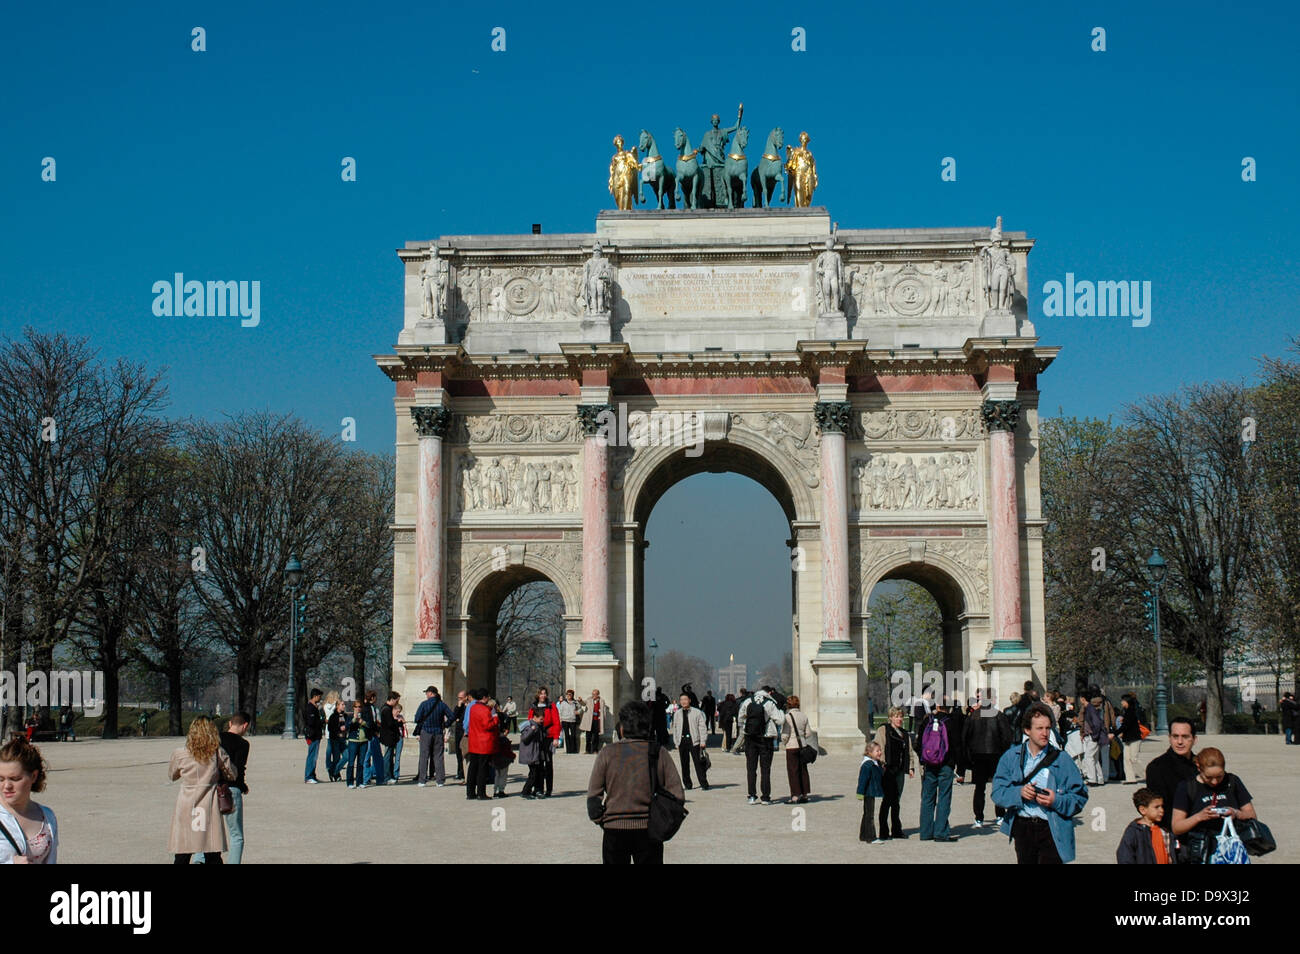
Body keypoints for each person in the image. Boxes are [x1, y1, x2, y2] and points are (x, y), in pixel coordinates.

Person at [586, 701, 685, 864]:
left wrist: (602, 819)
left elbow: (593, 797)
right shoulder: (658, 751)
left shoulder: (607, 753)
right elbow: (677, 795)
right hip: (649, 829)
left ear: (622, 727)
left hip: (614, 829)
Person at [992, 703, 1089, 864]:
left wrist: (1056, 801)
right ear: (1027, 730)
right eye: (1039, 728)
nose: (1045, 733)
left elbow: (1080, 796)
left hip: (1052, 828)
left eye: (1048, 728)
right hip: (1023, 828)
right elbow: (997, 793)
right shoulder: (1011, 757)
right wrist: (1019, 793)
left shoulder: (1062, 759)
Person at [168, 716, 236, 864]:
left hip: (186, 804)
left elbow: (172, 775)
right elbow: (232, 774)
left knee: (182, 853)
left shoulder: (180, 753)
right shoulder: (217, 752)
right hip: (208, 804)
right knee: (212, 852)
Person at [1171, 747, 1257, 864]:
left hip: (1231, 853)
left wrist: (1236, 813)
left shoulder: (1233, 782)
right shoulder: (1187, 787)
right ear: (1198, 768)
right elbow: (1176, 827)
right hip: (1200, 853)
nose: (1214, 782)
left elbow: (1252, 815)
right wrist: (1199, 817)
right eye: (1209, 777)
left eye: (1219, 776)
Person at [0, 737, 58, 864]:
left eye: (15, 779)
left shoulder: (47, 816)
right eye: (1, 779)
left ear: (33, 776)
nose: (6, 786)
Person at [962, 692, 1013, 828]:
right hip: (996, 754)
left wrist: (969, 755)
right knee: (998, 785)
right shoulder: (999, 715)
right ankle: (1000, 815)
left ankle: (979, 817)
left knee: (979, 788)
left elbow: (965, 737)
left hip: (978, 754)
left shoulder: (973, 716)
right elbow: (1007, 737)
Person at [1143, 716, 1199, 834]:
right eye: (1175, 736)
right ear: (1169, 738)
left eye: (1185, 737)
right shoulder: (1157, 767)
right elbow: (1157, 808)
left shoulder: (1202, 765)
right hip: (1173, 831)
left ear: (1194, 739)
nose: (1179, 742)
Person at [916, 702, 959, 842]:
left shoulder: (927, 721)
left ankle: (925, 832)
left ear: (938, 706)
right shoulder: (951, 722)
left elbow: (918, 744)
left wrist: (924, 759)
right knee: (944, 798)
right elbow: (958, 745)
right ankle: (940, 832)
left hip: (929, 763)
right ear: (949, 708)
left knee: (927, 798)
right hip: (946, 764)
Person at [872, 706, 914, 839]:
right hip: (888, 770)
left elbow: (909, 752)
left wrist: (911, 767)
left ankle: (896, 829)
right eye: (896, 716)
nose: (899, 719)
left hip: (900, 770)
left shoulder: (904, 733)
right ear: (890, 718)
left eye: (901, 716)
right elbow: (878, 747)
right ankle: (883, 831)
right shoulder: (884, 729)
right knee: (887, 800)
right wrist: (882, 765)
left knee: (896, 801)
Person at [737, 687, 782, 804]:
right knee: (765, 769)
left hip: (750, 737)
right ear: (768, 693)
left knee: (751, 769)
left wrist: (748, 725)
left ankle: (751, 796)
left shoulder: (747, 701)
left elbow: (740, 718)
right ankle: (765, 797)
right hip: (765, 738)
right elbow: (780, 720)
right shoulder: (769, 703)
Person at [219, 713, 251, 864]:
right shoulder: (243, 744)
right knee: (236, 835)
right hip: (231, 789)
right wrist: (242, 785)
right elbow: (239, 769)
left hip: (213, 787)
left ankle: (200, 859)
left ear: (230, 722)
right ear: (245, 725)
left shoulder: (216, 738)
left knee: (209, 831)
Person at [1116, 788, 1174, 864]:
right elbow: (1125, 855)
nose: (1162, 810)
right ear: (1142, 810)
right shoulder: (1134, 831)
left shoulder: (1165, 830)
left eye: (1162, 806)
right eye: (1156, 807)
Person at [412, 686, 453, 787]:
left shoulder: (424, 704)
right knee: (438, 756)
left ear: (431, 693)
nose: (426, 695)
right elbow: (452, 716)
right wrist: (445, 724)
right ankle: (440, 780)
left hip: (426, 731)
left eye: (427, 693)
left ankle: (422, 780)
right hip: (438, 731)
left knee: (424, 756)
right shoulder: (442, 705)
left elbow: (417, 718)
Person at [465, 689, 500, 800]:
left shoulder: (473, 707)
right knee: (482, 768)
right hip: (483, 742)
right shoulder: (485, 710)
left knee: (472, 767)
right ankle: (481, 793)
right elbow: (488, 725)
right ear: (484, 697)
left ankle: (470, 792)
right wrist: (495, 718)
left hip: (474, 740)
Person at [671, 692, 709, 790]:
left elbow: (702, 727)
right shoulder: (677, 713)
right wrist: (676, 741)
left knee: (698, 763)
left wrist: (703, 741)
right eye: (682, 700)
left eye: (685, 699)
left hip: (694, 741)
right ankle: (687, 784)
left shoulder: (697, 712)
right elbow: (675, 728)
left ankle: (704, 783)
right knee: (684, 764)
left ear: (689, 700)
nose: (683, 702)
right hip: (682, 741)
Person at [528, 689, 561, 796]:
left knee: (548, 763)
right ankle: (539, 788)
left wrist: (556, 737)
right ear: (537, 694)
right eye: (541, 693)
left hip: (548, 736)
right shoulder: (534, 706)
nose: (543, 695)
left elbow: (556, 722)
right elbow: (529, 720)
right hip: (537, 737)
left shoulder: (551, 706)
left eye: (544, 693)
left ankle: (549, 789)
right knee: (538, 763)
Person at [781, 694, 812, 803]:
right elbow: (808, 733)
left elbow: (785, 734)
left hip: (791, 746)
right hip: (802, 745)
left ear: (788, 705)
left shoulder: (787, 717)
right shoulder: (804, 716)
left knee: (793, 771)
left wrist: (784, 741)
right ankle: (804, 794)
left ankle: (795, 795)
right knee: (803, 770)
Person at [857, 740, 885, 844]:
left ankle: (863, 835)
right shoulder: (867, 765)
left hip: (870, 792)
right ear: (869, 752)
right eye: (877, 751)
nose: (880, 753)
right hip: (868, 792)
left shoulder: (874, 763)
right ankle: (871, 837)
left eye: (880, 750)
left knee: (867, 814)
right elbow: (862, 780)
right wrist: (860, 792)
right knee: (870, 815)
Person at [519, 708, 549, 799]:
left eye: (543, 719)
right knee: (533, 774)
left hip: (538, 753)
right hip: (531, 754)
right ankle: (525, 792)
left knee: (540, 772)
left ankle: (537, 790)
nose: (542, 721)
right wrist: (532, 730)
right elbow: (524, 738)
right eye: (540, 719)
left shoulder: (539, 725)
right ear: (535, 717)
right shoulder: (528, 725)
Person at [1080, 695, 1106, 785]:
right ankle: (1099, 778)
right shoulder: (1091, 708)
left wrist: (1094, 735)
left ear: (1083, 699)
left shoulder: (1090, 709)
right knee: (1094, 758)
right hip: (1093, 735)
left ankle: (1092, 779)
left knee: (1088, 757)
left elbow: (1097, 723)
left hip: (1093, 736)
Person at [1116, 694, 1143, 784]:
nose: (1121, 702)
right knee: (1126, 758)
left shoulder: (1130, 712)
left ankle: (1148, 773)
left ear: (1126, 702)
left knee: (1133, 758)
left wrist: (1115, 734)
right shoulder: (1127, 712)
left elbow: (1125, 726)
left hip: (1134, 738)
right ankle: (1130, 778)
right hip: (1128, 739)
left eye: (1123, 701)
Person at [344, 699, 371, 789]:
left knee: (361, 762)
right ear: (353, 707)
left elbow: (370, 725)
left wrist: (362, 722)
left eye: (360, 707)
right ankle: (350, 782)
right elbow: (347, 726)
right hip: (353, 741)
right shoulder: (350, 716)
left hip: (364, 741)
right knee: (351, 762)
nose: (358, 708)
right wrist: (354, 719)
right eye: (356, 707)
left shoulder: (365, 715)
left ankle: (359, 782)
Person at [362, 690, 385, 785]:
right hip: (370, 735)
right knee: (373, 758)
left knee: (374, 758)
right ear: (372, 698)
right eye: (375, 697)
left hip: (372, 735)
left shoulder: (372, 708)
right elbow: (370, 723)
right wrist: (376, 730)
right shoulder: (368, 708)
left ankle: (370, 777)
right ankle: (372, 778)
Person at [380, 691, 402, 785]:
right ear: (392, 700)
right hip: (388, 736)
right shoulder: (386, 709)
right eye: (396, 701)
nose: (397, 703)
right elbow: (390, 724)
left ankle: (389, 775)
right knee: (387, 757)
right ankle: (386, 777)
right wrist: (398, 723)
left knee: (389, 757)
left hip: (389, 736)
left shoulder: (386, 708)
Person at [302, 689, 324, 784]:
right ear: (315, 696)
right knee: (312, 755)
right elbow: (311, 722)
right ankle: (308, 776)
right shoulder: (310, 708)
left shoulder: (314, 707)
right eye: (319, 696)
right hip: (312, 735)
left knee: (314, 756)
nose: (320, 698)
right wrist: (322, 721)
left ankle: (312, 775)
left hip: (316, 735)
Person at [490, 715, 514, 797]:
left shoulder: (493, 739)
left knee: (497, 775)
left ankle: (495, 790)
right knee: (503, 775)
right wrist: (512, 757)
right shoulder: (504, 740)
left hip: (496, 759)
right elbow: (508, 752)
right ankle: (501, 790)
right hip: (504, 760)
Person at [326, 698, 349, 782]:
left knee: (347, 756)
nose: (344, 706)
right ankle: (336, 774)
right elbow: (330, 728)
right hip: (335, 740)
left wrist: (346, 728)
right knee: (336, 758)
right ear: (337, 706)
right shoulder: (333, 716)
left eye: (344, 704)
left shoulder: (345, 716)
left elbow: (348, 725)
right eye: (342, 705)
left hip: (343, 740)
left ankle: (333, 771)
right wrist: (339, 729)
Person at [580, 689, 608, 753]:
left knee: (596, 736)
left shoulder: (602, 701)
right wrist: (580, 701)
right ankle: (587, 750)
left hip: (597, 720)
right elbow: (583, 703)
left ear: (598, 694)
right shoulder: (589, 699)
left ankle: (595, 750)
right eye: (592, 694)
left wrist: (603, 718)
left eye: (594, 694)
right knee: (588, 736)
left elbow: (604, 711)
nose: (593, 695)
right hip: (589, 720)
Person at [451, 690, 468, 781]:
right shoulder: (459, 707)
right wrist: (458, 706)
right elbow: (454, 716)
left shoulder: (468, 707)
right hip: (458, 732)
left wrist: (459, 719)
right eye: (458, 698)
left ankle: (465, 773)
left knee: (464, 753)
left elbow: (463, 719)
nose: (460, 700)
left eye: (461, 698)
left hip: (465, 732)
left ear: (466, 697)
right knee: (458, 753)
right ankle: (460, 772)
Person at [557, 689, 580, 755]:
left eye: (570, 694)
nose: (568, 696)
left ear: (572, 695)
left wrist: (578, 712)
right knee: (566, 735)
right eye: (567, 694)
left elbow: (580, 708)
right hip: (565, 720)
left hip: (573, 720)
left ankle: (574, 749)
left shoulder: (575, 702)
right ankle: (568, 750)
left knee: (573, 735)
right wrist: (560, 720)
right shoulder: (563, 703)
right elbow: (560, 712)